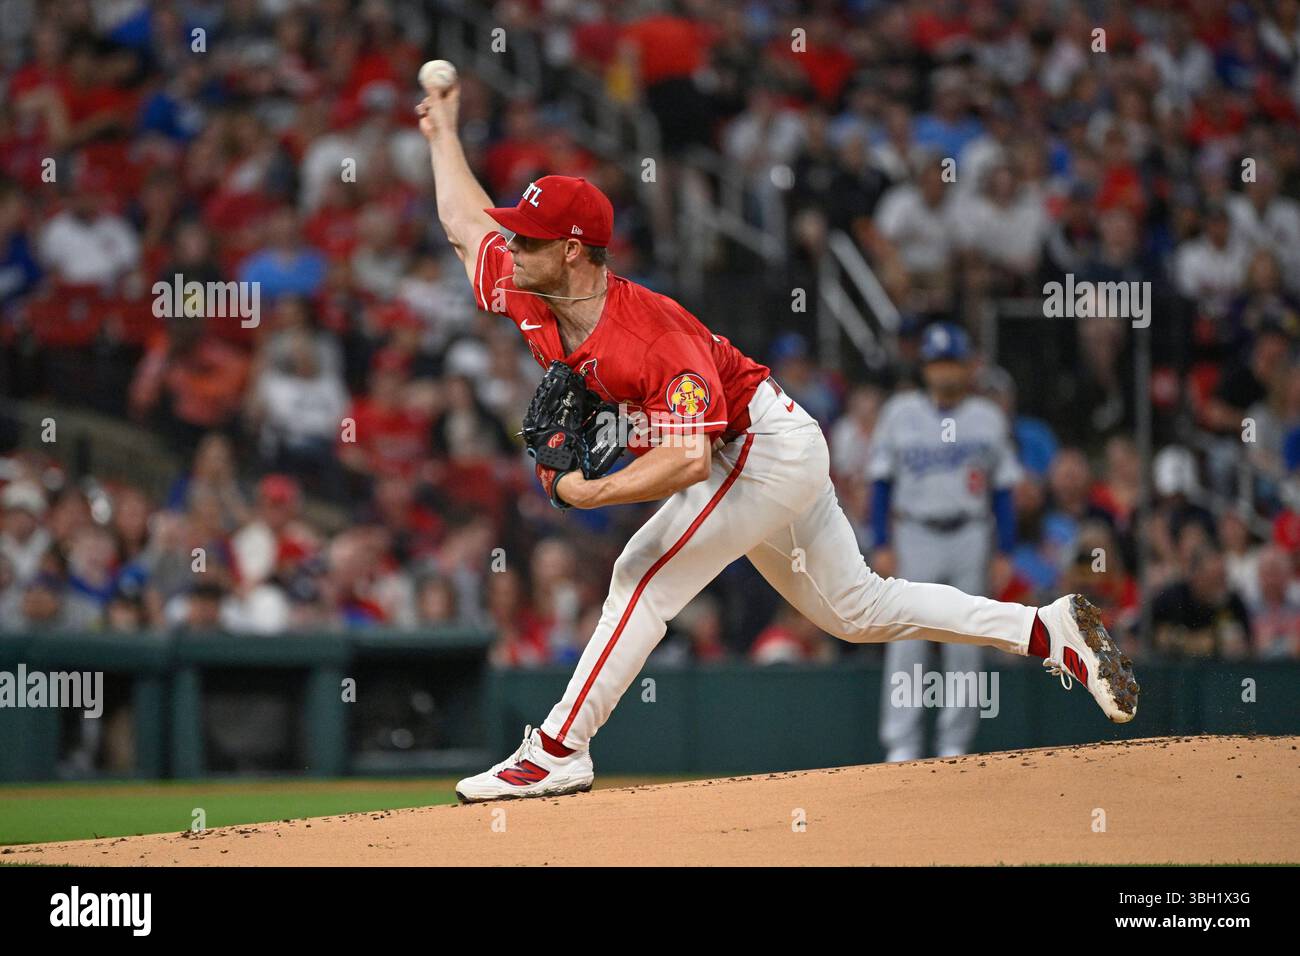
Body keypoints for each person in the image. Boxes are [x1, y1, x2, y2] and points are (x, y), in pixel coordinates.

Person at [415, 77, 1139, 804]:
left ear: (573, 250)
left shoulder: (651, 335)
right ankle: (1046, 631)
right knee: (857, 610)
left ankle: (557, 750)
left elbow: (690, 458)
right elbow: (462, 224)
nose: (510, 241)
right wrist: (443, 131)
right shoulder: (526, 287)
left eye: (528, 236)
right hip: (749, 452)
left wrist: (586, 491)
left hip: (759, 444)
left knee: (641, 574)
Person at [868, 322, 1020, 762]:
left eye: (951, 361)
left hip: (971, 534)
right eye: (937, 362)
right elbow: (880, 481)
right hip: (914, 533)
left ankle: (954, 745)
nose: (944, 371)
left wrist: (1004, 550)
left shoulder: (987, 417)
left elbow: (1005, 488)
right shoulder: (900, 412)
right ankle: (902, 745)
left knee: (966, 640)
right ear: (925, 368)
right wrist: (882, 540)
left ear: (968, 365)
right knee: (907, 639)